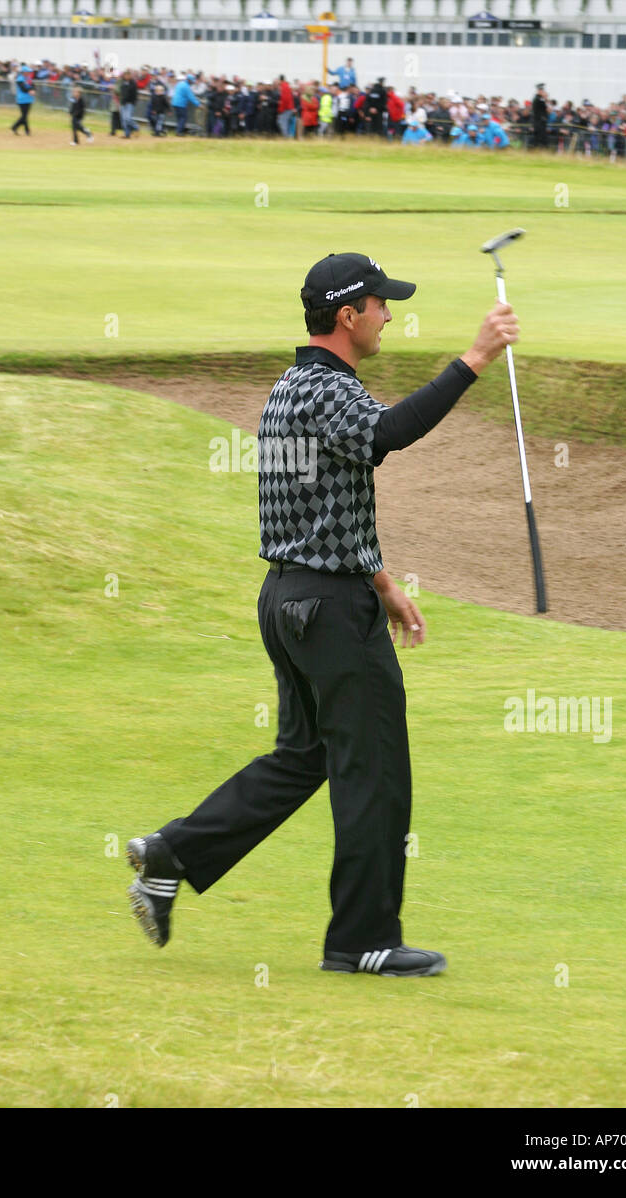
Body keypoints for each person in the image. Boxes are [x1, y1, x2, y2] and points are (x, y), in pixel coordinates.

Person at [126, 252, 519, 977]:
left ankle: (170, 854)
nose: (389, 316)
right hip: (328, 612)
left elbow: (325, 507)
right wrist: (475, 357)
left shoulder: (291, 387)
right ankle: (362, 939)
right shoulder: (327, 390)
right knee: (372, 767)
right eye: (380, 304)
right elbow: (389, 434)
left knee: (305, 757)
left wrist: (382, 581)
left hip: (294, 598)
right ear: (348, 314)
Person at [11, 65, 34, 135]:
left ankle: (16, 127)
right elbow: (23, 88)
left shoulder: (29, 79)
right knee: (24, 116)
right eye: (27, 72)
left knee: (25, 116)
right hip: (22, 100)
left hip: (29, 99)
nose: (29, 73)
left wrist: (33, 90)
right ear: (24, 72)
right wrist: (30, 91)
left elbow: (33, 86)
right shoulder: (20, 79)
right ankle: (24, 130)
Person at [532, 83, 548, 149]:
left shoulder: (537, 98)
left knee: (539, 138)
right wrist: (545, 98)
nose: (543, 92)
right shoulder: (539, 99)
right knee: (540, 139)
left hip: (539, 122)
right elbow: (546, 109)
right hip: (539, 122)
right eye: (542, 90)